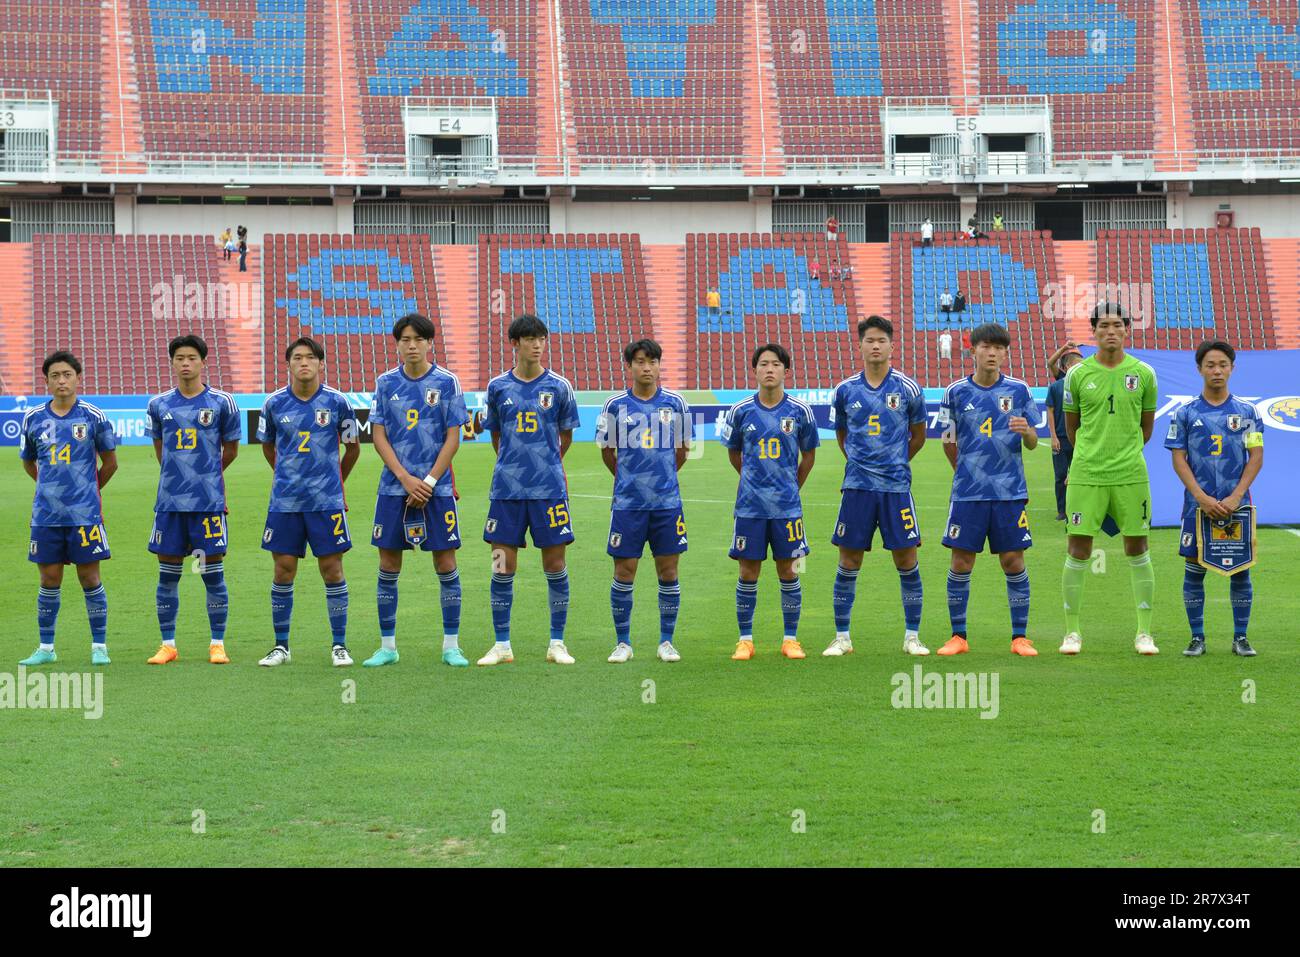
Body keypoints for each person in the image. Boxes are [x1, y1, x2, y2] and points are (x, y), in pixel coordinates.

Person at [364, 313, 470, 668]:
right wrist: (404, 478)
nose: (411, 345)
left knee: (445, 561)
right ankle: (388, 647)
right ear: (397, 343)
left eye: (418, 339)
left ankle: (451, 646)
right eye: (405, 339)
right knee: (388, 563)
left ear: (429, 343)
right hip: (394, 489)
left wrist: (426, 482)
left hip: (436, 492)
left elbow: (453, 436)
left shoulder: (447, 382)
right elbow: (378, 434)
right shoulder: (385, 382)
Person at [476, 314, 581, 666]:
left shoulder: (560, 387)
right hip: (506, 491)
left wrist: (543, 463)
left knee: (555, 562)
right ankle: (502, 644)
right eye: (530, 338)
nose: (537, 345)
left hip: (549, 490)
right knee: (501, 565)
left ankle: (557, 643)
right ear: (515, 343)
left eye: (542, 338)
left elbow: (565, 437)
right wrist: (515, 465)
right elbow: (495, 434)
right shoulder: (497, 388)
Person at [824, 316, 929, 657]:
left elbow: (919, 436)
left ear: (891, 345)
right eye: (869, 340)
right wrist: (860, 462)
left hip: (896, 488)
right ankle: (842, 636)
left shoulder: (908, 389)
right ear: (860, 345)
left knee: (906, 558)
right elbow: (842, 435)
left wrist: (893, 462)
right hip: (857, 487)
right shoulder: (845, 391)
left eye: (881, 340)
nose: (875, 346)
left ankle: (912, 636)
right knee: (849, 559)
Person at [1060, 303, 1159, 656]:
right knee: (1078, 548)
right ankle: (1072, 633)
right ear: (1095, 331)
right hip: (1087, 474)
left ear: (1127, 329)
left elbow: (1146, 427)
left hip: (1131, 474)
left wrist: (1123, 452)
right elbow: (1072, 428)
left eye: (1117, 325)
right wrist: (1091, 454)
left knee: (1137, 547)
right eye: (1104, 326)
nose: (1111, 331)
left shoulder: (1144, 373)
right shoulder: (1076, 375)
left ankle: (1144, 633)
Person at [936, 323, 1040, 657]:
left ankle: (1020, 637)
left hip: (1009, 492)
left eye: (999, 347)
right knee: (961, 561)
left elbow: (1035, 442)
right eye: (986, 347)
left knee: (1013, 560)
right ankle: (958, 636)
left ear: (1006, 353)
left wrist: (1026, 433)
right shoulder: (955, 393)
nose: (992, 353)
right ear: (973, 351)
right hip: (968, 494)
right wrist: (968, 472)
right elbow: (948, 442)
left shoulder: (1020, 391)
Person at [256, 337, 361, 667]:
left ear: (321, 364)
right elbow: (268, 447)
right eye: (297, 357)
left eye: (311, 357)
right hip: (285, 503)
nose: (304, 363)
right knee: (283, 570)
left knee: (332, 570)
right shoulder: (273, 404)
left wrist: (333, 481)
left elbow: (352, 448)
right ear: (288, 365)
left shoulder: (338, 403)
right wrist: (288, 476)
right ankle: (281, 647)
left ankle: (339, 646)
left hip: (326, 503)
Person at [144, 335, 241, 665]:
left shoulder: (221, 403)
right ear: (172, 363)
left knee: (209, 573)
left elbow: (230, 450)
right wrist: (180, 476)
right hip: (170, 507)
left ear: (203, 362)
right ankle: (168, 644)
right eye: (179, 358)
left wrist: (205, 476)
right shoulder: (159, 405)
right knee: (168, 575)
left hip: (206, 506)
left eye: (191, 358)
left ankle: (217, 643)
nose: (185, 363)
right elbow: (161, 450)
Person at [18, 352, 118, 667]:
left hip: (84, 515)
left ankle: (99, 646)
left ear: (77, 377)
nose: (61, 380)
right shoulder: (33, 417)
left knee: (90, 577)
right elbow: (28, 462)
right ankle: (46, 648)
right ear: (46, 380)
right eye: (55, 375)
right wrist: (52, 490)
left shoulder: (93, 416)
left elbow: (110, 462)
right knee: (49, 579)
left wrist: (87, 491)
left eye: (67, 375)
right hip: (46, 516)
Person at [1165, 340, 1263, 657]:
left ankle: (1241, 638)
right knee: (1194, 568)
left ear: (1232, 368)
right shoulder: (1185, 413)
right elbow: (1178, 458)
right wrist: (1201, 496)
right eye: (1210, 365)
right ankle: (1197, 638)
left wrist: (1236, 496)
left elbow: (1256, 456)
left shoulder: (1247, 412)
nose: (1217, 370)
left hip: (1238, 506)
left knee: (1241, 568)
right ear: (1200, 369)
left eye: (1222, 364)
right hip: (1197, 507)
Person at [596, 339, 691, 664]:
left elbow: (682, 451)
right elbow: (608, 452)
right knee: (624, 570)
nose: (646, 367)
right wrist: (629, 479)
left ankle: (666, 641)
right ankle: (623, 642)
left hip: (667, 504)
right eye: (639, 361)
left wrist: (660, 477)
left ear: (660, 365)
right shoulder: (614, 406)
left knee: (668, 570)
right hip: (627, 505)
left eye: (652, 361)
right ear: (629, 366)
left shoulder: (676, 404)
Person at [723, 343, 818, 660]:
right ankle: (745, 640)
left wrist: (790, 486)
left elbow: (809, 456)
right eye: (763, 364)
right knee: (747, 572)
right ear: (754, 370)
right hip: (749, 507)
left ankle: (790, 639)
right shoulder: (740, 412)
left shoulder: (800, 411)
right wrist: (753, 481)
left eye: (775, 364)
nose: (769, 369)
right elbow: (734, 454)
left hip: (787, 508)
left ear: (785, 371)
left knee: (789, 571)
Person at [1045, 351, 1080, 520]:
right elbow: (1050, 411)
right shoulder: (1057, 386)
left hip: (1080, 439)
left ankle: (1077, 508)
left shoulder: (1085, 385)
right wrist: (1053, 436)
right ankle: (1062, 510)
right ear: (1066, 367)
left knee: (1079, 475)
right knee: (1060, 475)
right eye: (1075, 365)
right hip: (1060, 437)